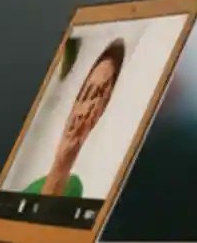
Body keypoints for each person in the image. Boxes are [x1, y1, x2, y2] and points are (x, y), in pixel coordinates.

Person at [23, 38, 126, 197]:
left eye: (98, 97)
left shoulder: (79, 185)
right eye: (85, 95)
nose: (85, 111)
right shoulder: (35, 186)